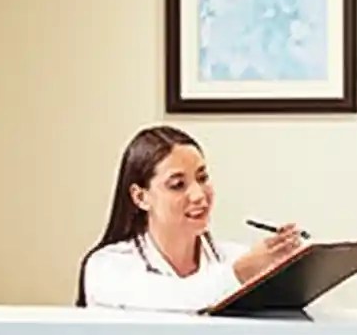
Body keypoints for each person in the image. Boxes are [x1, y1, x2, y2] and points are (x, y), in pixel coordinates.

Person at [76, 125, 306, 312]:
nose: (198, 195)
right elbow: (180, 297)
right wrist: (243, 272)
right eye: (177, 185)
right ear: (141, 197)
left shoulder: (234, 258)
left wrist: (292, 269)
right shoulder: (107, 267)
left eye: (202, 178)